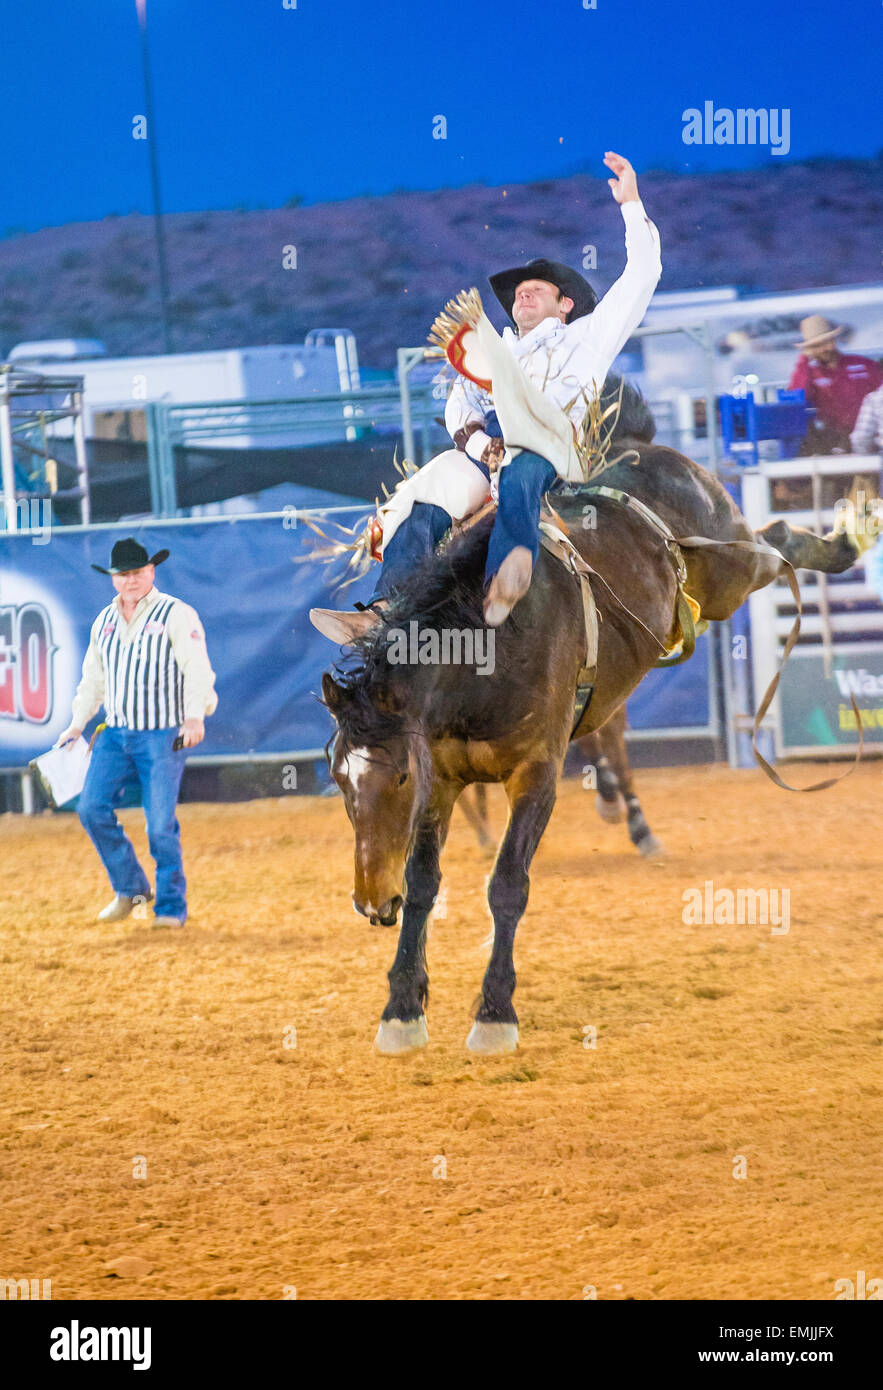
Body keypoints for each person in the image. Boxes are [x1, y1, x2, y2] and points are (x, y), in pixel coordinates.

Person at [311, 150, 661, 642]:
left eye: (537, 289)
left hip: (547, 446)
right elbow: (461, 407)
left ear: (567, 306)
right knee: (430, 494)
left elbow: (642, 276)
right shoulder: (495, 351)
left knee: (521, 471)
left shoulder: (587, 339)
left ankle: (503, 585)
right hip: (489, 450)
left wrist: (630, 205)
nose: (523, 294)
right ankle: (387, 609)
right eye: (519, 291)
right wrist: (479, 446)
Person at [55, 537, 218, 928]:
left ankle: (171, 908)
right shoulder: (104, 621)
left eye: (137, 572)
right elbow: (92, 680)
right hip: (115, 732)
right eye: (123, 574)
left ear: (151, 571)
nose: (130, 580)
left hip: (162, 734)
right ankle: (131, 888)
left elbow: (197, 668)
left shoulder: (177, 614)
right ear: (113, 578)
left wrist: (195, 716)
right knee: (91, 808)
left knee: (160, 824)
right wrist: (77, 724)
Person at [788, 315, 883, 455]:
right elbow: (796, 397)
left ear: (834, 340)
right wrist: (803, 361)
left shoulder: (862, 364)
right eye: (816, 345)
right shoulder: (810, 373)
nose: (825, 348)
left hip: (872, 434)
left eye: (827, 341)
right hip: (835, 437)